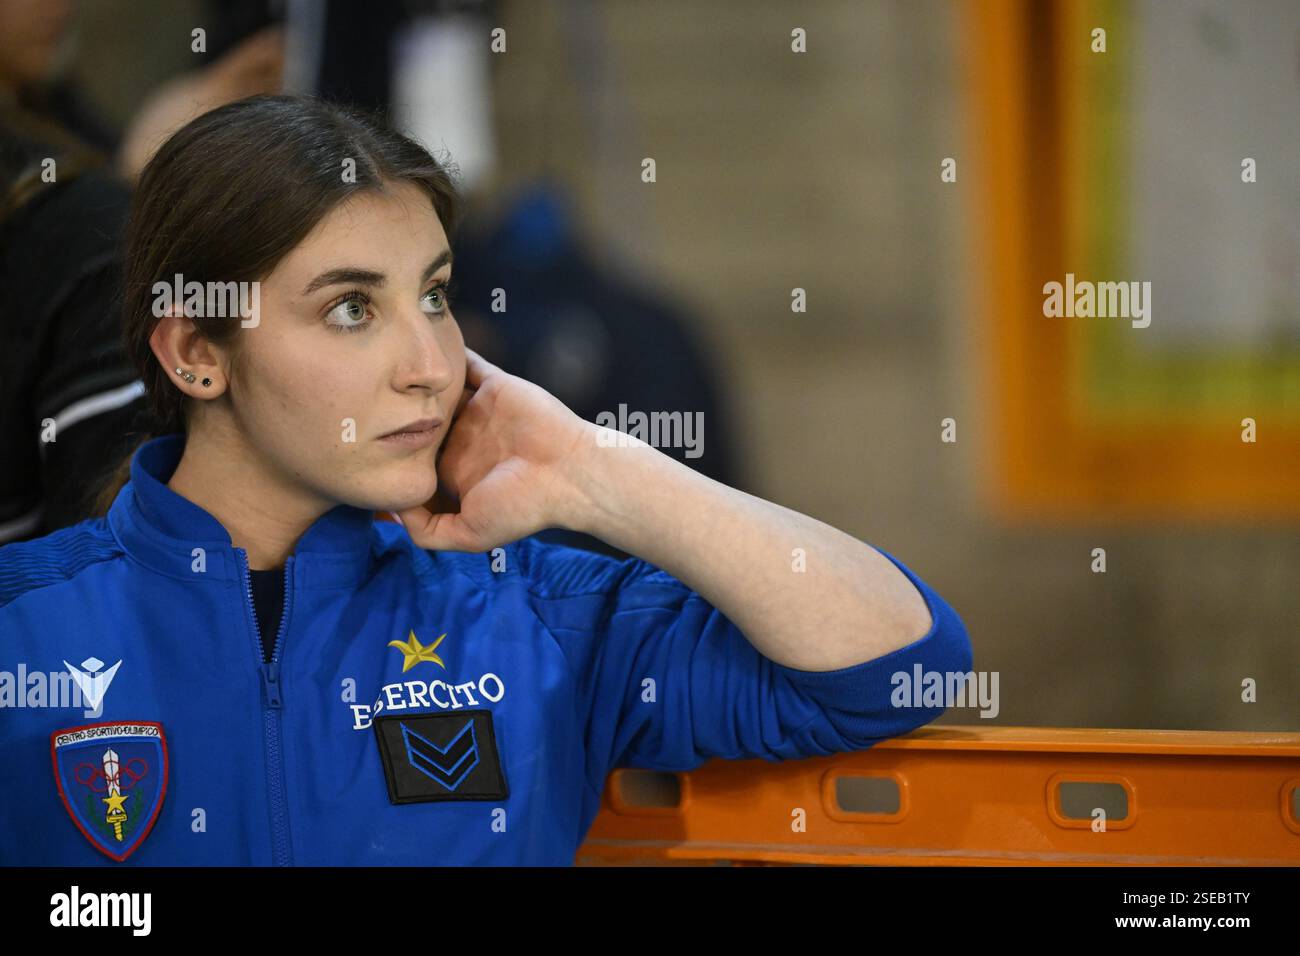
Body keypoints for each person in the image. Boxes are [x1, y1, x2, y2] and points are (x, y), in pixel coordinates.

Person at [0, 94, 971, 865]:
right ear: (196, 352)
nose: (429, 358)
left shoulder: (536, 612)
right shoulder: (26, 628)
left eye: (433, 293)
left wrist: (593, 470)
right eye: (350, 308)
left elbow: (898, 663)